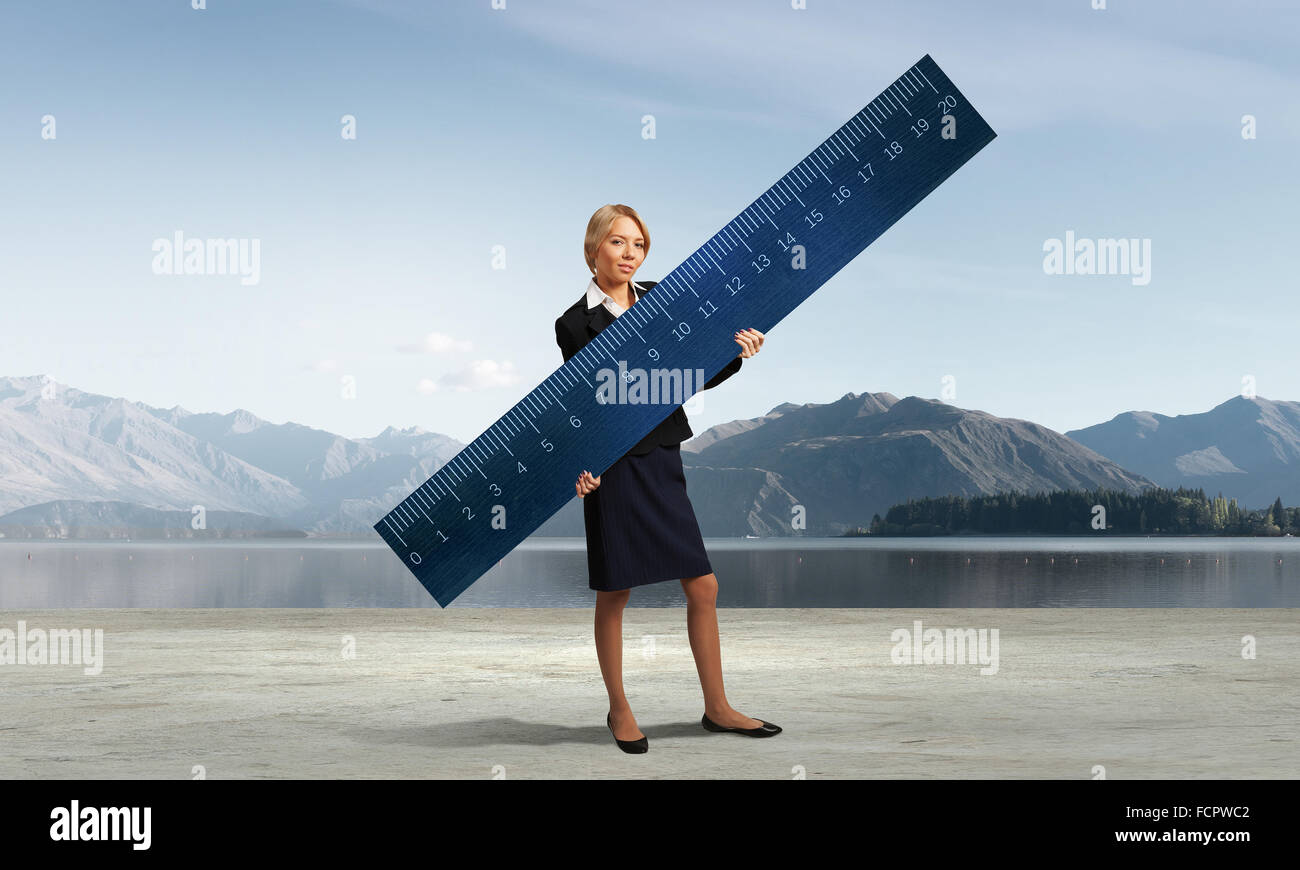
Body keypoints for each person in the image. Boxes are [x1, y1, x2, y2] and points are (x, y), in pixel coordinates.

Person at [554, 203, 782, 754]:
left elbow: (694, 367)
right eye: (617, 243)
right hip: (610, 465)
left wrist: (738, 351)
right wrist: (577, 470)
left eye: (638, 245)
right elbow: (584, 402)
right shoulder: (572, 324)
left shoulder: (663, 298)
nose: (629, 254)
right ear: (593, 249)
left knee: (703, 584)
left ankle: (717, 708)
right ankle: (620, 709)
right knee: (616, 591)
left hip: (661, 455)